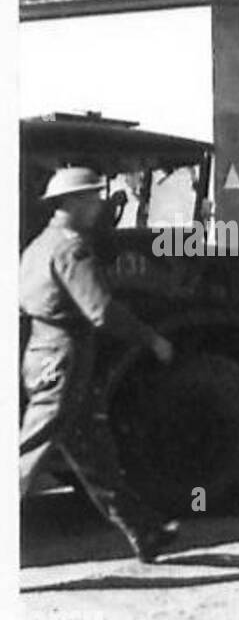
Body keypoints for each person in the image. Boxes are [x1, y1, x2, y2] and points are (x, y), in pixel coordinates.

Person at [20, 166, 181, 562]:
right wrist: (152, 338)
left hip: (42, 356)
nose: (98, 204)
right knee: (26, 456)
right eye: (91, 197)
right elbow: (102, 311)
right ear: (71, 202)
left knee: (95, 455)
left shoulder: (38, 245)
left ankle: (146, 532)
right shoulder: (72, 248)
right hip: (64, 361)